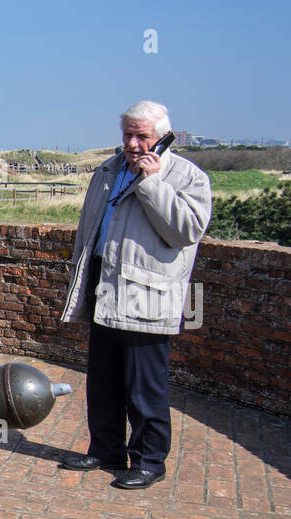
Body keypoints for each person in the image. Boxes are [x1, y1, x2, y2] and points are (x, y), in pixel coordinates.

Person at [57, 101, 212, 489]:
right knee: (103, 381)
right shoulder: (107, 172)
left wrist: (151, 183)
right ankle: (107, 448)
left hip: (148, 295)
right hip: (104, 286)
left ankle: (149, 461)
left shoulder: (187, 177)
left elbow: (185, 231)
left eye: (141, 135)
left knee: (145, 387)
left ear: (161, 138)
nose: (132, 142)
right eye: (127, 134)